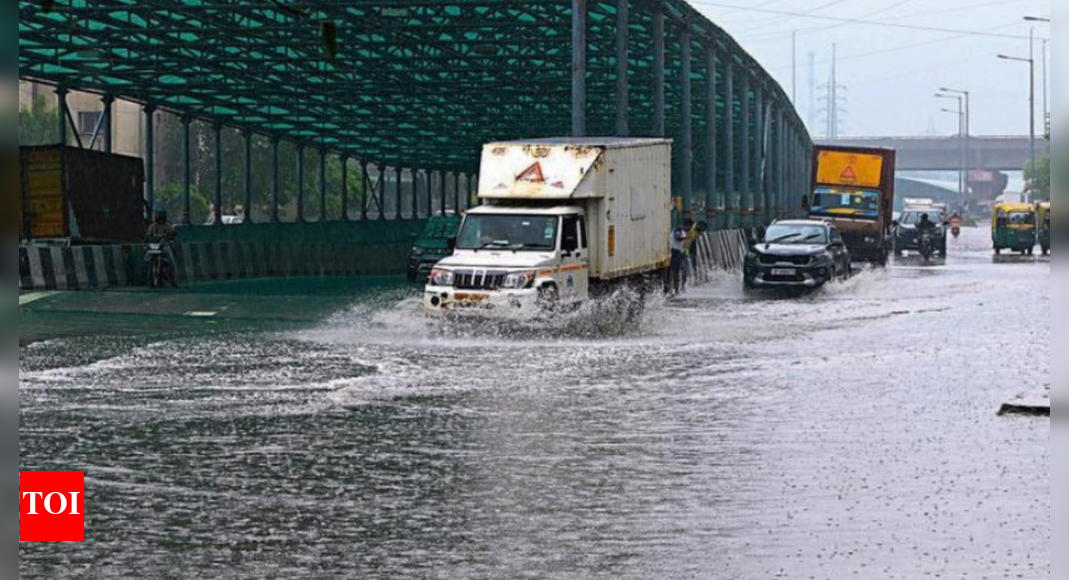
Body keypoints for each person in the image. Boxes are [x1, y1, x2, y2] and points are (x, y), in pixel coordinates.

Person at [146, 204, 179, 284]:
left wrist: (169, 236)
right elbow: (148, 235)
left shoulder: (167, 226)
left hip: (164, 245)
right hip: (154, 246)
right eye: (159, 217)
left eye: (162, 217)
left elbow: (173, 233)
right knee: (146, 257)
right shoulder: (153, 226)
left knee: (171, 260)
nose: (160, 219)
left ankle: (174, 280)